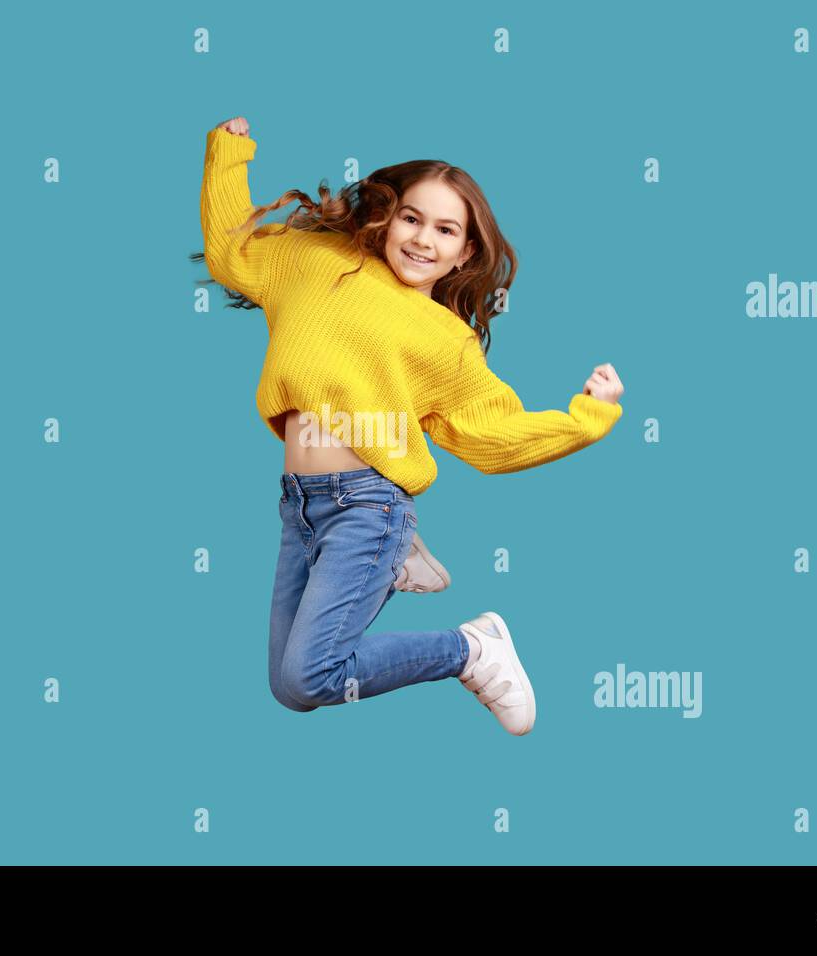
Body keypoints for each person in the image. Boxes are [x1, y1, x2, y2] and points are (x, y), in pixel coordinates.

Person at [193, 116, 625, 734]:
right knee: (293, 689)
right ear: (386, 218)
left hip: (369, 504)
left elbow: (490, 436)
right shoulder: (317, 262)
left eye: (446, 230)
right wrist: (229, 157)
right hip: (300, 505)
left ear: (465, 251)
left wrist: (588, 417)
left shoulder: (445, 341)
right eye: (412, 218)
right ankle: (400, 570)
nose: (424, 240)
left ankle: (471, 649)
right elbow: (230, 252)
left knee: (308, 675)